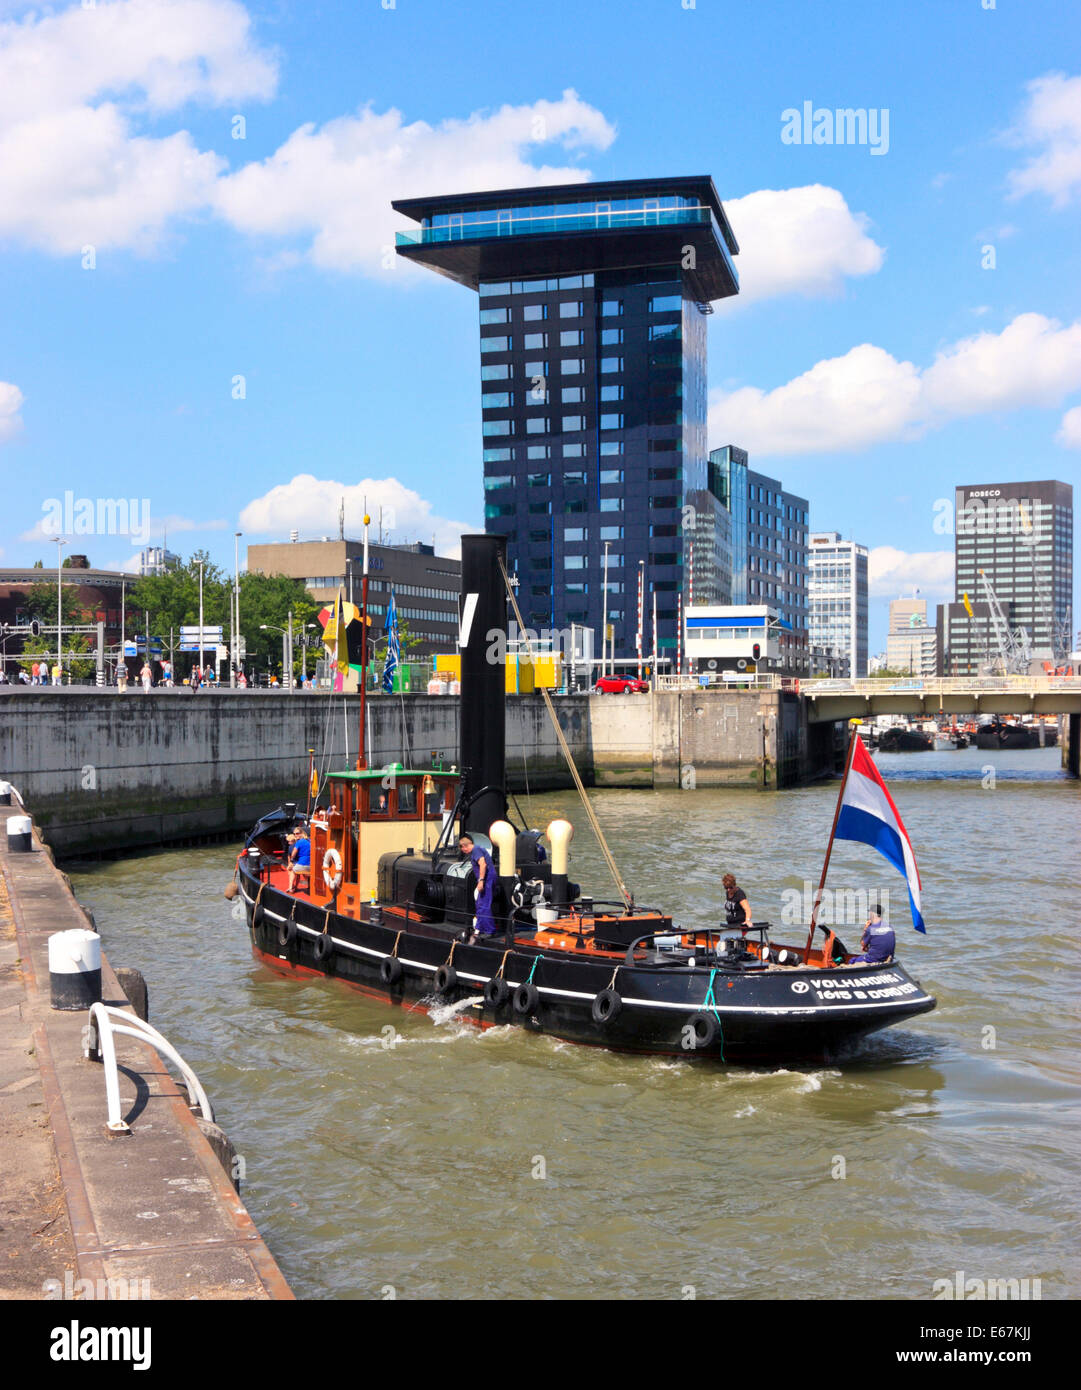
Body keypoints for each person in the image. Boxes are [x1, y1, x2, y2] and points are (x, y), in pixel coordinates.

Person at [459, 832, 496, 943]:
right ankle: (479, 929)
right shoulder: (478, 849)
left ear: (465, 846)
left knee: (484, 904)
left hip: (487, 880)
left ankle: (490, 930)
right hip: (487, 879)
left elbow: (483, 864)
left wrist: (481, 881)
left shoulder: (476, 850)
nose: (463, 852)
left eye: (463, 849)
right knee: (480, 904)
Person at [287, 825, 311, 892]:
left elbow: (293, 853)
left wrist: (291, 861)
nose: (295, 835)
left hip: (303, 865)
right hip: (311, 866)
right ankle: (310, 886)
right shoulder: (310, 840)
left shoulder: (299, 842)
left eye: (297, 833)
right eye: (294, 834)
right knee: (304, 872)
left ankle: (291, 888)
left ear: (302, 833)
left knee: (292, 870)